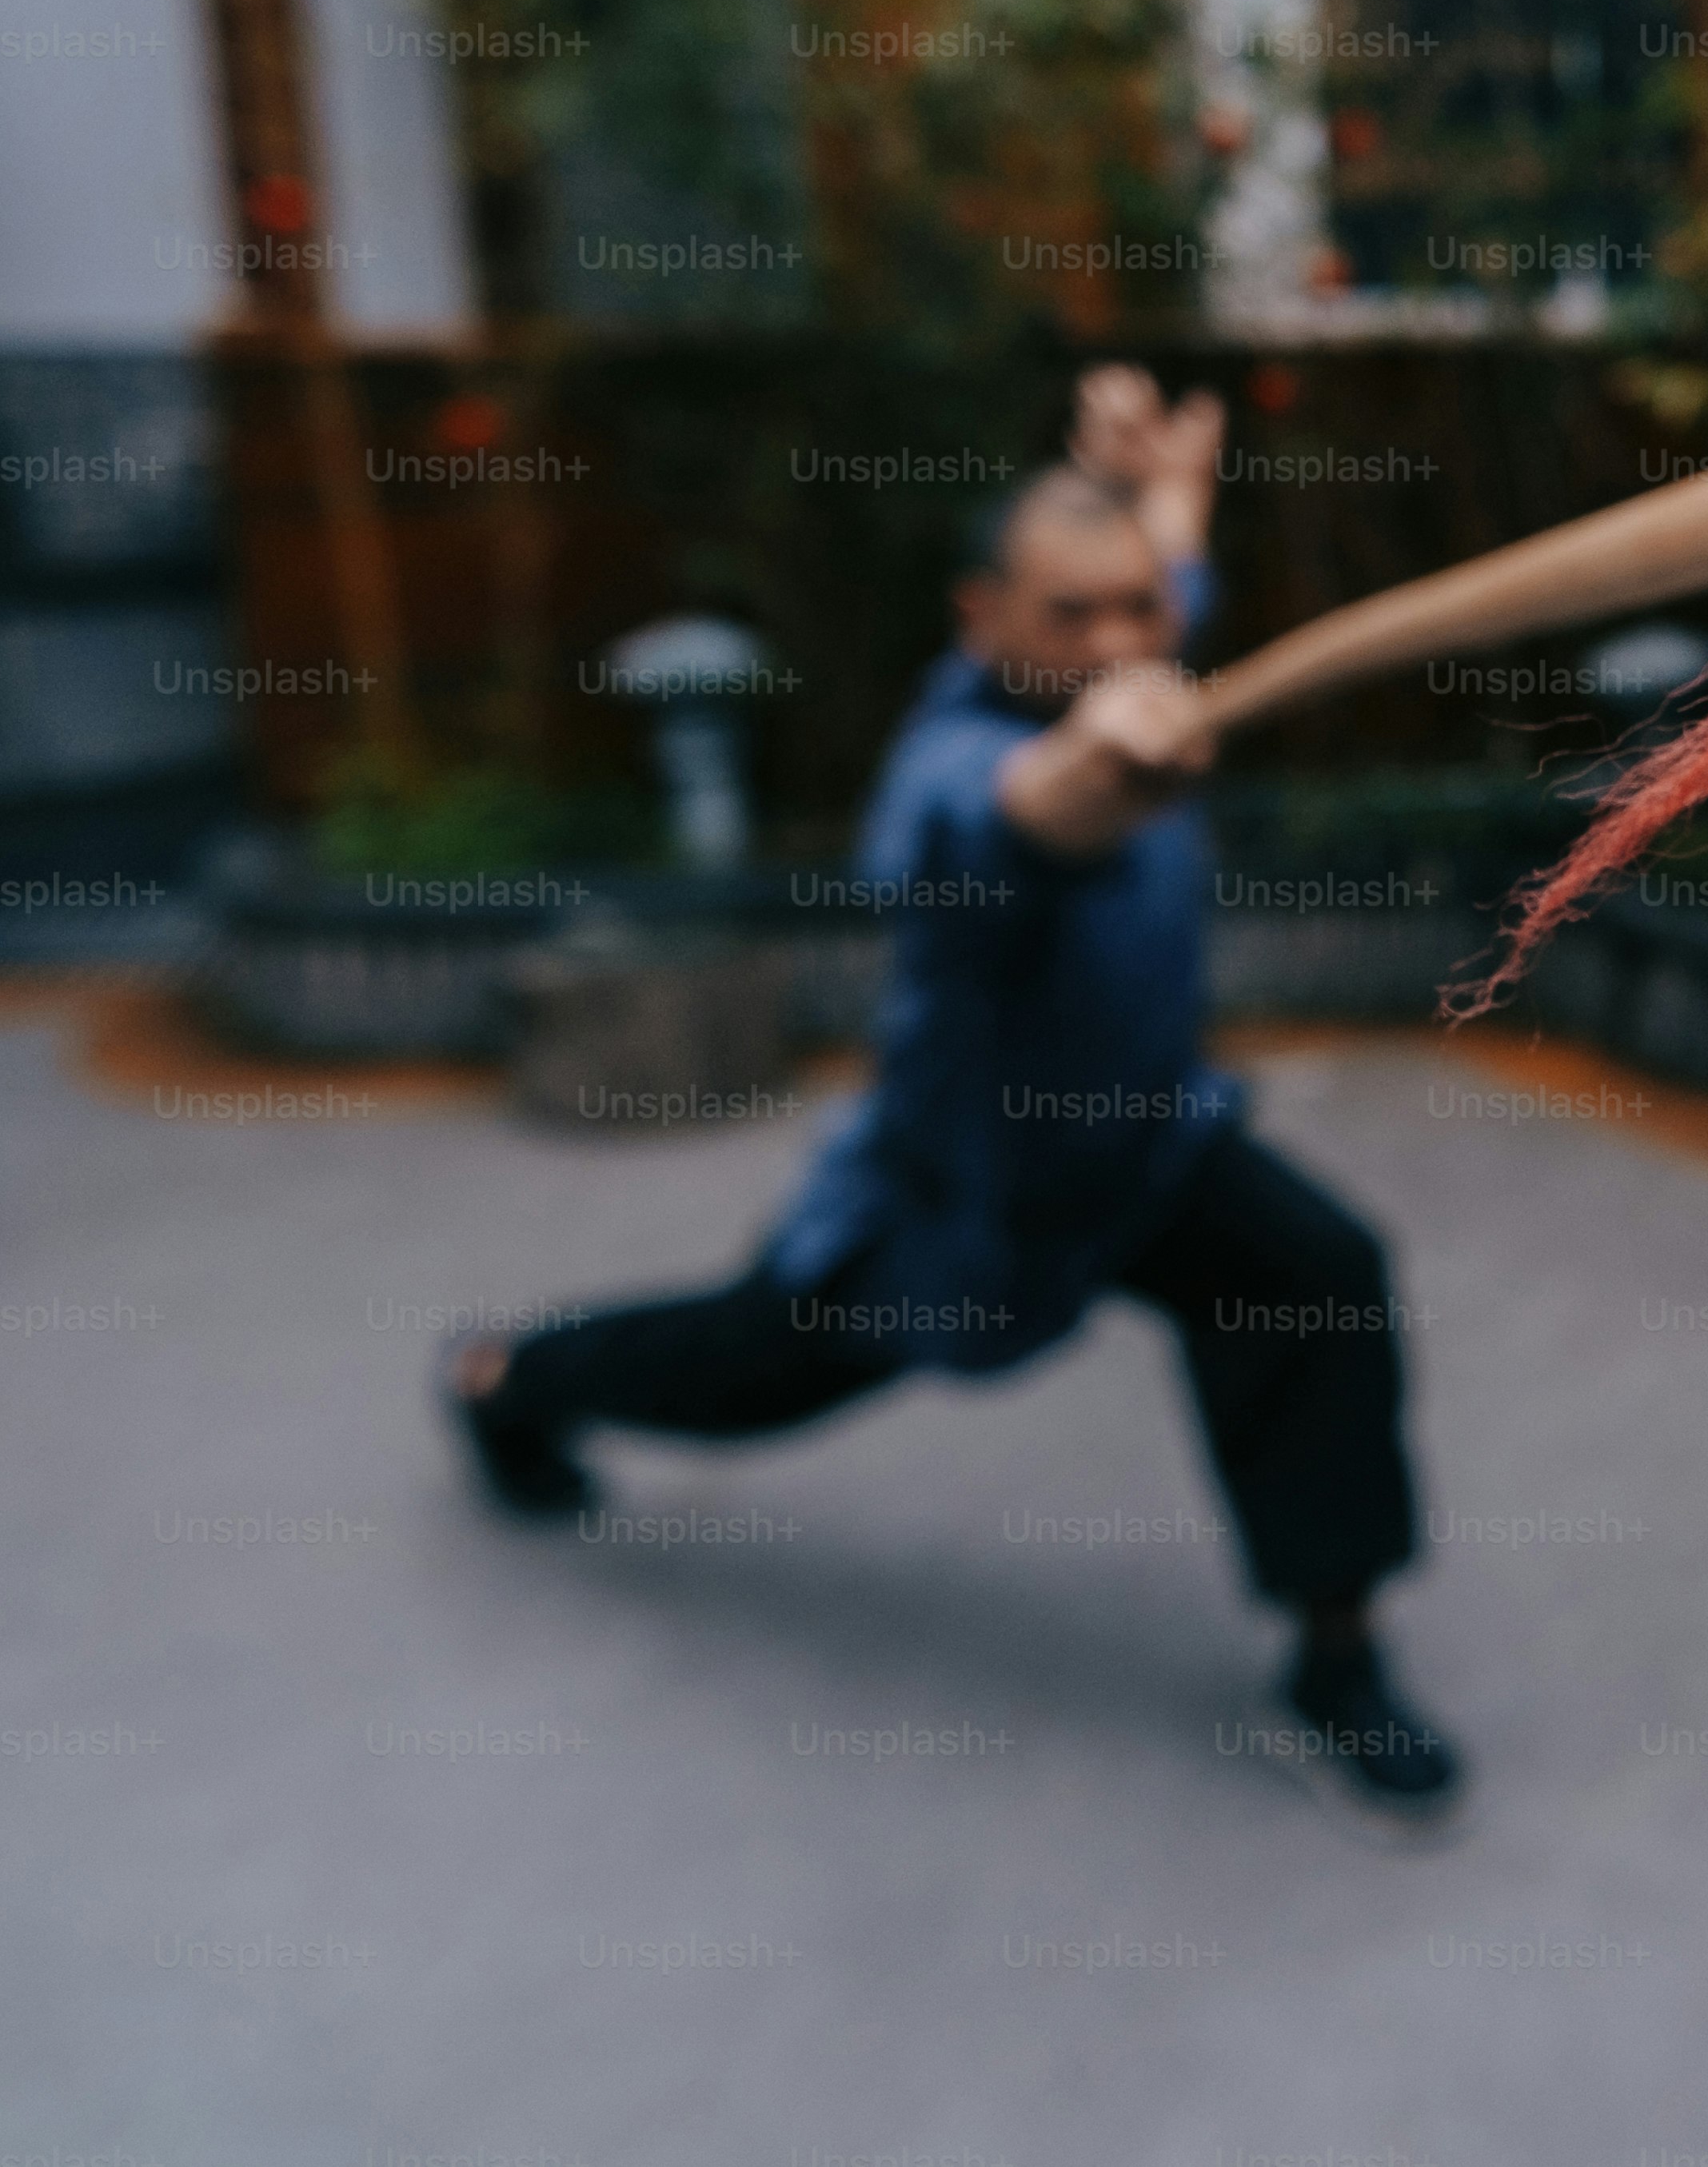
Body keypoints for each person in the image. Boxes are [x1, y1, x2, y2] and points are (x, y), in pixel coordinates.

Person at [441, 367, 1463, 1826]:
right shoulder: (956, 774)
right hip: (963, 1205)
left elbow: (1165, 581)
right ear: (980, 621)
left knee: (1316, 1277)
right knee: (743, 1368)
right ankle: (510, 1380)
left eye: (1139, 611)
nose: (1121, 639)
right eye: (1073, 616)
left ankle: (1336, 1653)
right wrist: (1105, 762)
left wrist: (1162, 492)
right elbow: (1029, 814)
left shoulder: (1140, 645)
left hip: (1153, 1154)